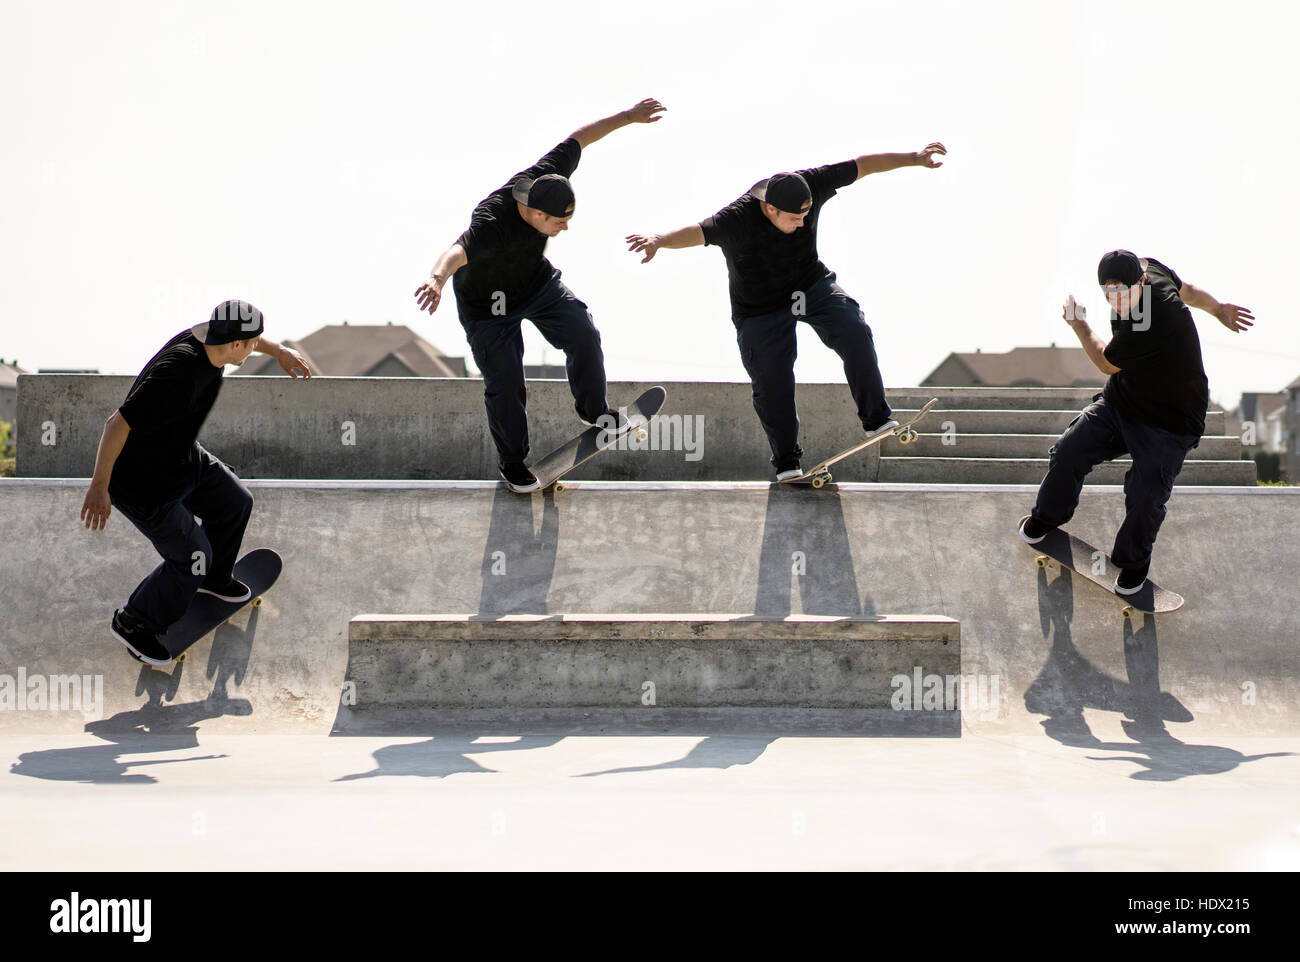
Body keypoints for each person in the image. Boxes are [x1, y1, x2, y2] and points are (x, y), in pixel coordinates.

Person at [625, 142, 946, 479]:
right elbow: (697, 232)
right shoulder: (737, 219)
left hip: (810, 287)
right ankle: (787, 462)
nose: (803, 224)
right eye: (795, 219)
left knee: (853, 328)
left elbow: (862, 165)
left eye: (806, 215)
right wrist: (658, 240)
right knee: (772, 383)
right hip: (759, 310)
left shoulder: (809, 184)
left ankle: (876, 418)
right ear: (770, 209)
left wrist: (913, 159)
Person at [414, 98, 666, 493]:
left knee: (583, 333)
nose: (565, 228)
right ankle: (513, 462)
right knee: (506, 382)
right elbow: (457, 251)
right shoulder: (492, 221)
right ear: (535, 214)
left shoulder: (545, 179)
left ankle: (595, 412)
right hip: (488, 308)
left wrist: (628, 117)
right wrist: (436, 280)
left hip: (536, 285)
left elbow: (580, 138)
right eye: (559, 222)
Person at [80, 300, 311, 665]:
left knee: (235, 502)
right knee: (192, 557)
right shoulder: (177, 374)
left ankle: (213, 580)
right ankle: (135, 622)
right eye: (252, 344)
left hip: (184, 460)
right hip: (144, 486)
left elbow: (249, 336)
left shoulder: (212, 337)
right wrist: (99, 486)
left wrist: (278, 350)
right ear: (235, 345)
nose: (256, 348)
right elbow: (116, 424)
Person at [1019, 250, 1254, 593]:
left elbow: (1105, 362)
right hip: (1122, 402)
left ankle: (1132, 563)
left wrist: (1079, 324)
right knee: (1069, 450)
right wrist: (1217, 308)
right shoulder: (1151, 268)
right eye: (1109, 294)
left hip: (1169, 422)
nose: (1117, 302)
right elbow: (1187, 289)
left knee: (1145, 494)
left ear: (1141, 283)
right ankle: (1047, 517)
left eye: (1124, 293)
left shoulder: (1157, 316)